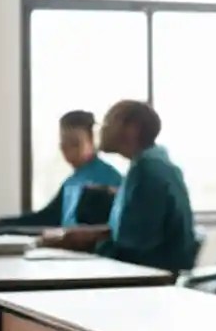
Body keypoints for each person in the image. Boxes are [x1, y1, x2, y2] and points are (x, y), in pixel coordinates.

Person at [43, 101, 197, 273]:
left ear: (133, 128)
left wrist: (83, 245)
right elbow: (131, 230)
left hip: (150, 279)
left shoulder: (148, 171)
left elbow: (133, 247)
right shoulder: (146, 164)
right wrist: (89, 235)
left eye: (108, 123)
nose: (101, 130)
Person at [0, 110, 122, 230]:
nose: (66, 148)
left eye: (74, 143)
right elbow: (46, 218)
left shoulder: (110, 180)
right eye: (63, 142)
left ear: (93, 142)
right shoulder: (71, 182)